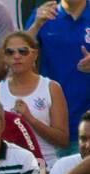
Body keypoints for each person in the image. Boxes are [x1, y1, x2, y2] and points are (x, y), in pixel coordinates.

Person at [0, 30, 68, 168]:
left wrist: (29, 118)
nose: (16, 56)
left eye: (23, 51)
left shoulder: (51, 87)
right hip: (7, 167)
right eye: (10, 52)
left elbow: (62, 140)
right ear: (4, 57)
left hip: (43, 164)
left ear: (34, 54)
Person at [27, 0, 90, 154]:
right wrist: (35, 25)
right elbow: (16, 53)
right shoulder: (43, 14)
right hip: (50, 129)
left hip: (87, 130)